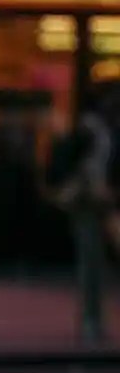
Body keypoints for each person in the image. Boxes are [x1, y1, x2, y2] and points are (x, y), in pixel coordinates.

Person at [45, 95, 113, 342]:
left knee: (92, 263)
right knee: (92, 263)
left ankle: (91, 321)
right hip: (90, 202)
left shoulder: (90, 132)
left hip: (91, 202)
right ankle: (91, 321)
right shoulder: (94, 133)